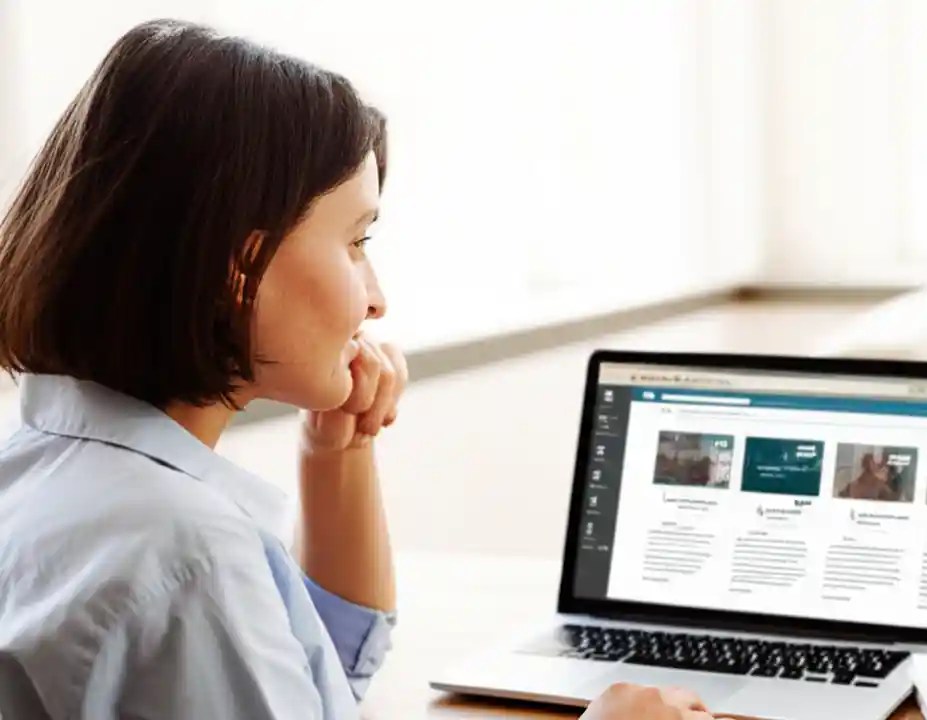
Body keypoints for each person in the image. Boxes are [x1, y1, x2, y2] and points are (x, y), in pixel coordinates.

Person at [0, 19, 709, 720]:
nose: (375, 299)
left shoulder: (37, 478)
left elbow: (308, 682)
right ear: (241, 270)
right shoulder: (187, 556)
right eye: (355, 242)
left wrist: (338, 454)